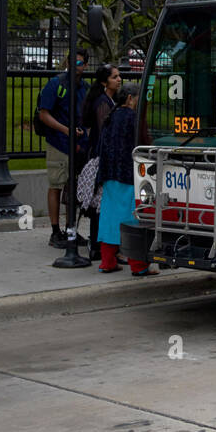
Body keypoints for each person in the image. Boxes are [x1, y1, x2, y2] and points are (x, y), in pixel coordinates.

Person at [96, 83, 151, 275]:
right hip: (129, 174)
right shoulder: (134, 118)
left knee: (110, 218)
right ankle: (138, 266)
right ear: (130, 99)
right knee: (132, 218)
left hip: (109, 173)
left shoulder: (111, 116)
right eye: (137, 98)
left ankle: (107, 262)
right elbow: (144, 144)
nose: (139, 102)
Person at [37, 49, 90, 249]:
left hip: (77, 144)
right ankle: (55, 231)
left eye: (79, 63)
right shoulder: (56, 84)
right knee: (56, 185)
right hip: (58, 143)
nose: (75, 66)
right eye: (72, 62)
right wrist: (66, 130)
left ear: (85, 66)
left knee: (72, 188)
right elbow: (44, 114)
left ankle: (71, 230)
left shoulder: (84, 87)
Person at [79, 64, 121, 261]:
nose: (119, 79)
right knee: (100, 204)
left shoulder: (106, 100)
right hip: (101, 158)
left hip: (98, 156)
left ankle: (97, 243)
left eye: (119, 76)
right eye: (115, 77)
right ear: (105, 82)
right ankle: (97, 244)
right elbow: (106, 132)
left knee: (99, 204)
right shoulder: (103, 103)